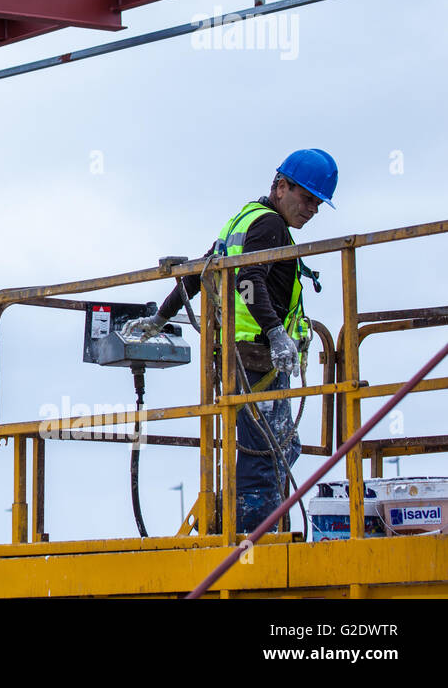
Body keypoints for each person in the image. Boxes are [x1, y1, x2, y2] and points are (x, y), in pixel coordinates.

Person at [123, 149, 337, 534]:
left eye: (317, 204)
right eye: (307, 199)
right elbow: (247, 281)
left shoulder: (244, 220)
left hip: (240, 358)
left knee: (281, 447)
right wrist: (275, 333)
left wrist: (160, 318)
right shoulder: (270, 226)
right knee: (265, 454)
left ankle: (247, 527)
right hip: (255, 358)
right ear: (281, 186)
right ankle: (254, 538)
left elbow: (197, 273)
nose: (312, 210)